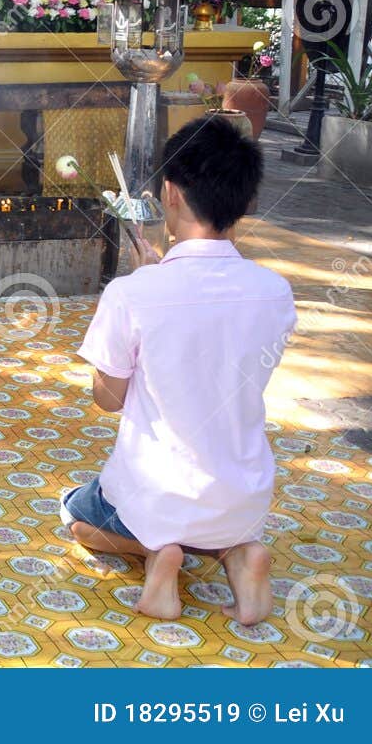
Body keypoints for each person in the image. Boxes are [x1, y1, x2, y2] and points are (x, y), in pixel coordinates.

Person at [66, 117, 294, 625]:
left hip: (156, 493)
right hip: (244, 498)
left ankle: (158, 558)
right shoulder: (276, 292)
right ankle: (238, 555)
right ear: (246, 201)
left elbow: (108, 398)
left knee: (77, 515)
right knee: (213, 524)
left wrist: (142, 294)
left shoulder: (132, 294)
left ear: (169, 192)